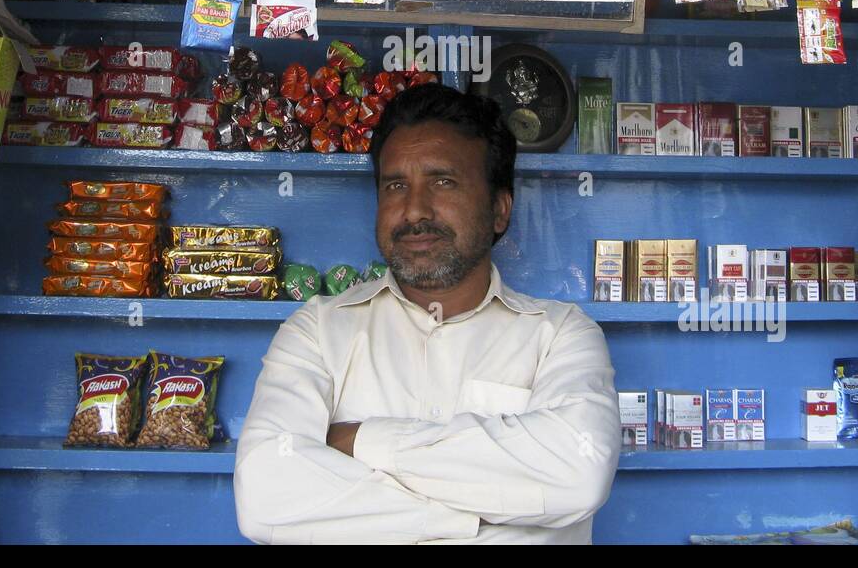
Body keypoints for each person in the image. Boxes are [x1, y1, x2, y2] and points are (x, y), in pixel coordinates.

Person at [235, 84, 621, 544]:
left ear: (499, 210)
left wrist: (360, 442)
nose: (414, 210)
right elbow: (265, 497)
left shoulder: (560, 335)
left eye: (443, 181)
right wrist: (476, 521)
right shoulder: (318, 331)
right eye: (395, 185)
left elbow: (576, 475)